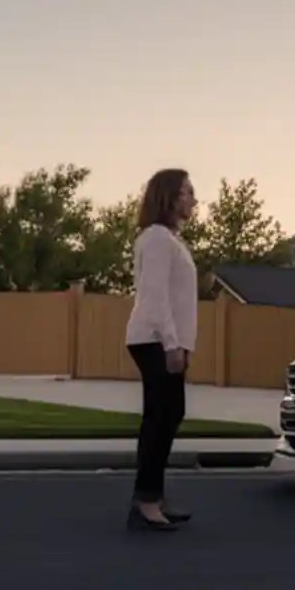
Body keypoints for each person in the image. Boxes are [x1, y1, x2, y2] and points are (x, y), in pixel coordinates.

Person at [124, 168, 198, 532]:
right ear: (169, 196)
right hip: (154, 340)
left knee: (164, 416)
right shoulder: (156, 238)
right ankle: (147, 501)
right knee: (162, 417)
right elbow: (155, 297)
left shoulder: (169, 239)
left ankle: (149, 496)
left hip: (163, 341)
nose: (193, 199)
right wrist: (172, 343)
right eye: (186, 192)